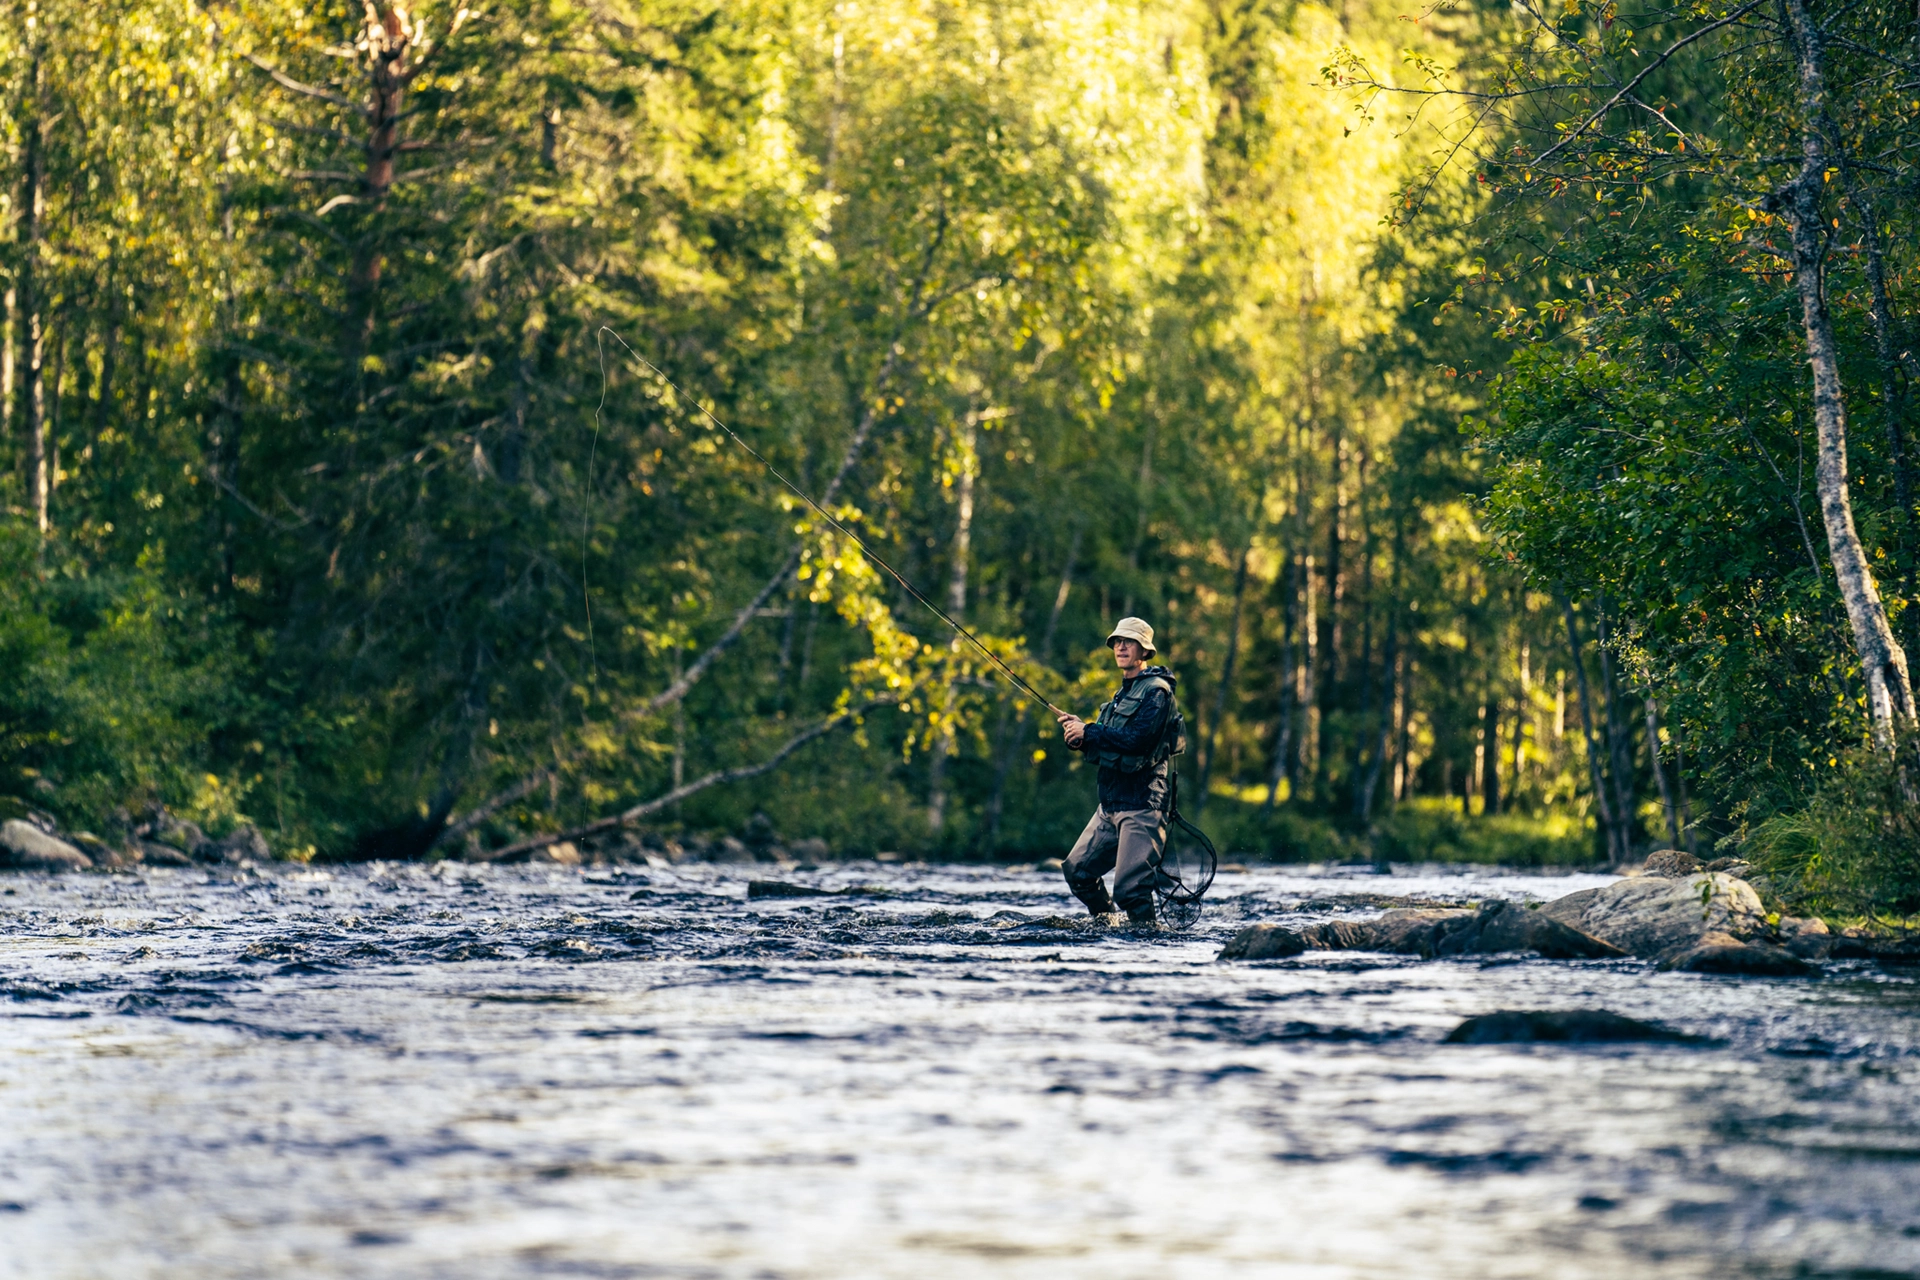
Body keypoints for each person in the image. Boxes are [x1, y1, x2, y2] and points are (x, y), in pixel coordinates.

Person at [1055, 617, 1179, 925]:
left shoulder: (1157, 693)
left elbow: (1139, 741)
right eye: (1117, 642)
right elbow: (1107, 748)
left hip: (1143, 805)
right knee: (1078, 873)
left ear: (1144, 651)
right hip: (1110, 805)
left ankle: (1147, 946)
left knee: (1131, 891)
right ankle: (1109, 928)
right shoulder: (1120, 695)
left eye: (1129, 641)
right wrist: (1079, 737)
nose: (1121, 646)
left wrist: (1092, 731)